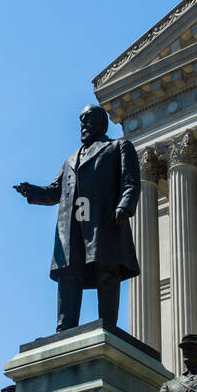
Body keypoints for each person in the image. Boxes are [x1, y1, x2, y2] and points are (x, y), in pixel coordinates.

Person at [14, 104, 140, 331]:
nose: (83, 123)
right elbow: (55, 191)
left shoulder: (118, 147)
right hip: (71, 223)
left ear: (101, 122)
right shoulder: (71, 159)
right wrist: (32, 191)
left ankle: (108, 325)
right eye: (81, 119)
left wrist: (125, 205)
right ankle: (65, 326)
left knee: (106, 268)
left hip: (103, 218)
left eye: (88, 118)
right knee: (68, 272)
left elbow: (130, 180)